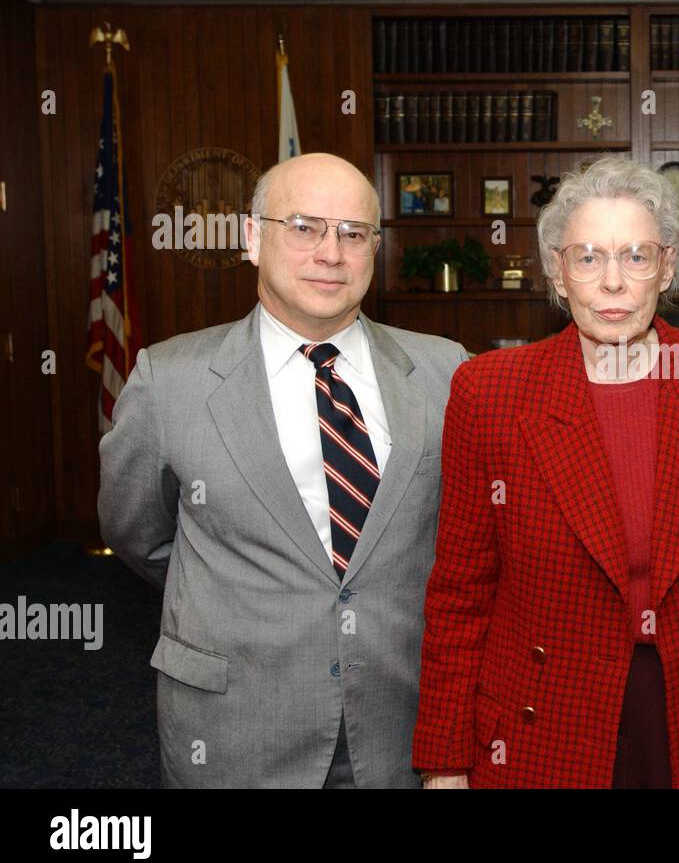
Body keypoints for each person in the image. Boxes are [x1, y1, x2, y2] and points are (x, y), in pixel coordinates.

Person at [413, 156, 679, 788]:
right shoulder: (491, 392)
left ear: (667, 267)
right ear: (557, 269)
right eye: (587, 257)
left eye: (636, 256)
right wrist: (444, 761)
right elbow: (459, 593)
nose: (612, 282)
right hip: (544, 726)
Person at [99, 152, 466, 787]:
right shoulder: (169, 381)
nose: (331, 253)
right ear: (251, 237)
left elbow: (466, 545)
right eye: (303, 226)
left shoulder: (449, 372)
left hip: (403, 719)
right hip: (238, 725)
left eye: (354, 233)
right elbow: (140, 536)